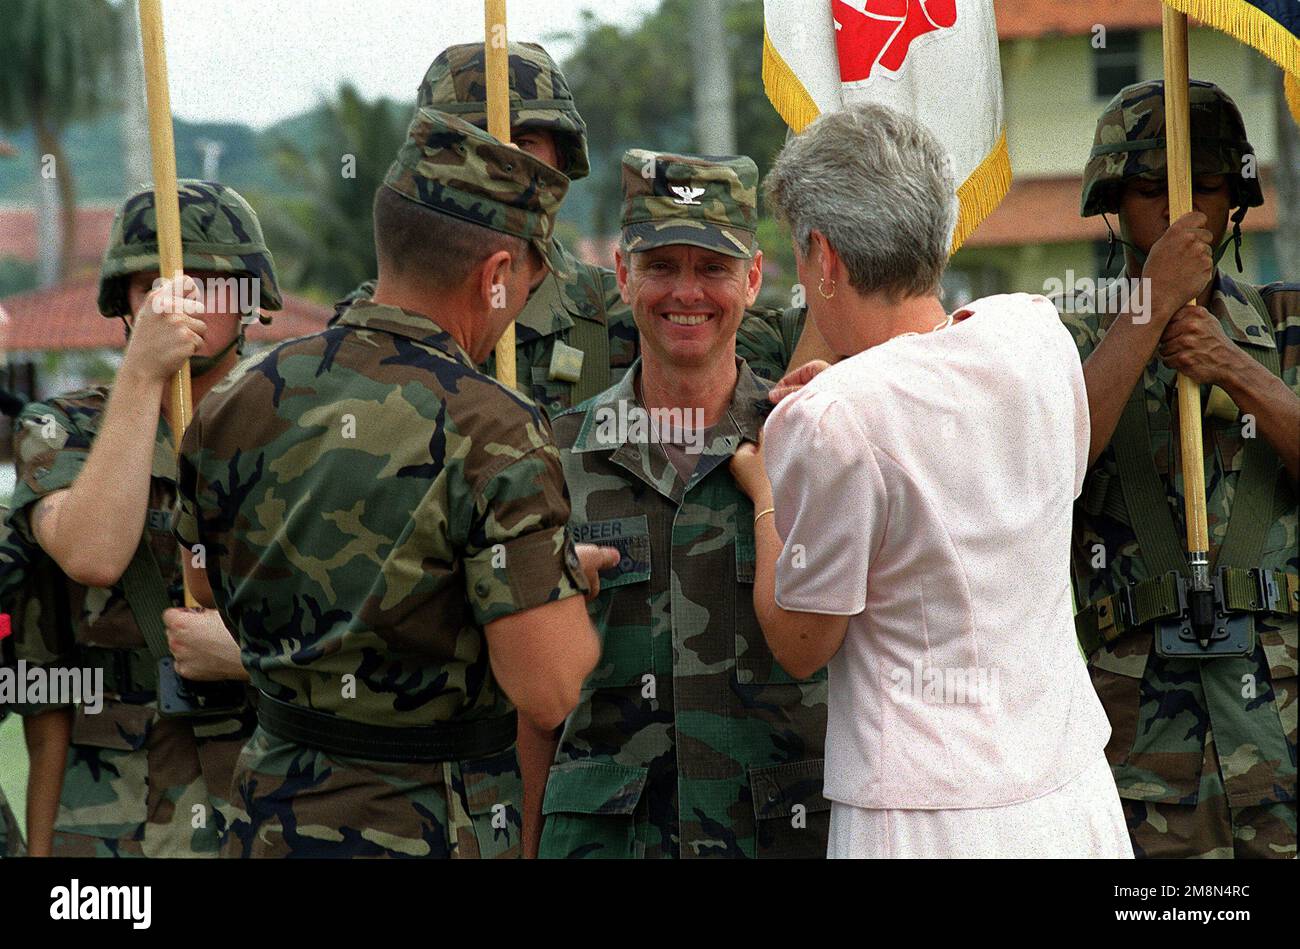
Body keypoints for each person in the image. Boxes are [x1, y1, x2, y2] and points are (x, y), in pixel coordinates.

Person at [174, 108, 609, 859]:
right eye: (529, 288)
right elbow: (551, 685)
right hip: (425, 823)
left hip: (266, 816)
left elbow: (202, 582)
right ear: (497, 276)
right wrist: (557, 578)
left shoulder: (238, 399)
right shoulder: (494, 428)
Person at [731, 102, 1131, 858]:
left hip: (922, 817)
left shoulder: (830, 418)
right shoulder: (1035, 334)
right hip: (1073, 795)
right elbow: (1015, 455)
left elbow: (803, 641)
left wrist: (769, 496)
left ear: (823, 257)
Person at [526, 149, 829, 859]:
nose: (686, 292)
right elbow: (532, 706)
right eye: (662, 266)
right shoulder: (552, 457)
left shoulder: (809, 442)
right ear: (624, 274)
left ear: (753, 280)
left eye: (713, 268)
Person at [4, 181, 280, 857]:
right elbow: (92, 553)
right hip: (114, 810)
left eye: (213, 281)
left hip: (272, 792)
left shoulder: (302, 423)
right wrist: (143, 374)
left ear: (250, 299)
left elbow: (362, 629)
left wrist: (248, 656)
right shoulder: (61, 428)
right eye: (155, 284)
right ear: (125, 302)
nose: (181, 300)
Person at [1060, 78, 1298, 858]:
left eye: (1203, 185)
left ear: (1237, 200)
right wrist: (1148, 310)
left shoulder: (1288, 323)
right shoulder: (1065, 336)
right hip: (1138, 750)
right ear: (1112, 202)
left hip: (1283, 731)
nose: (1178, 210)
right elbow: (1055, 459)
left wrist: (1237, 369)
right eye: (1151, 188)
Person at [335, 41, 818, 407]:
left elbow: (838, 325)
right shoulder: (368, 332)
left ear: (562, 164)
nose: (490, 166)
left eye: (521, 145)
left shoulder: (640, 310)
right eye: (468, 143)